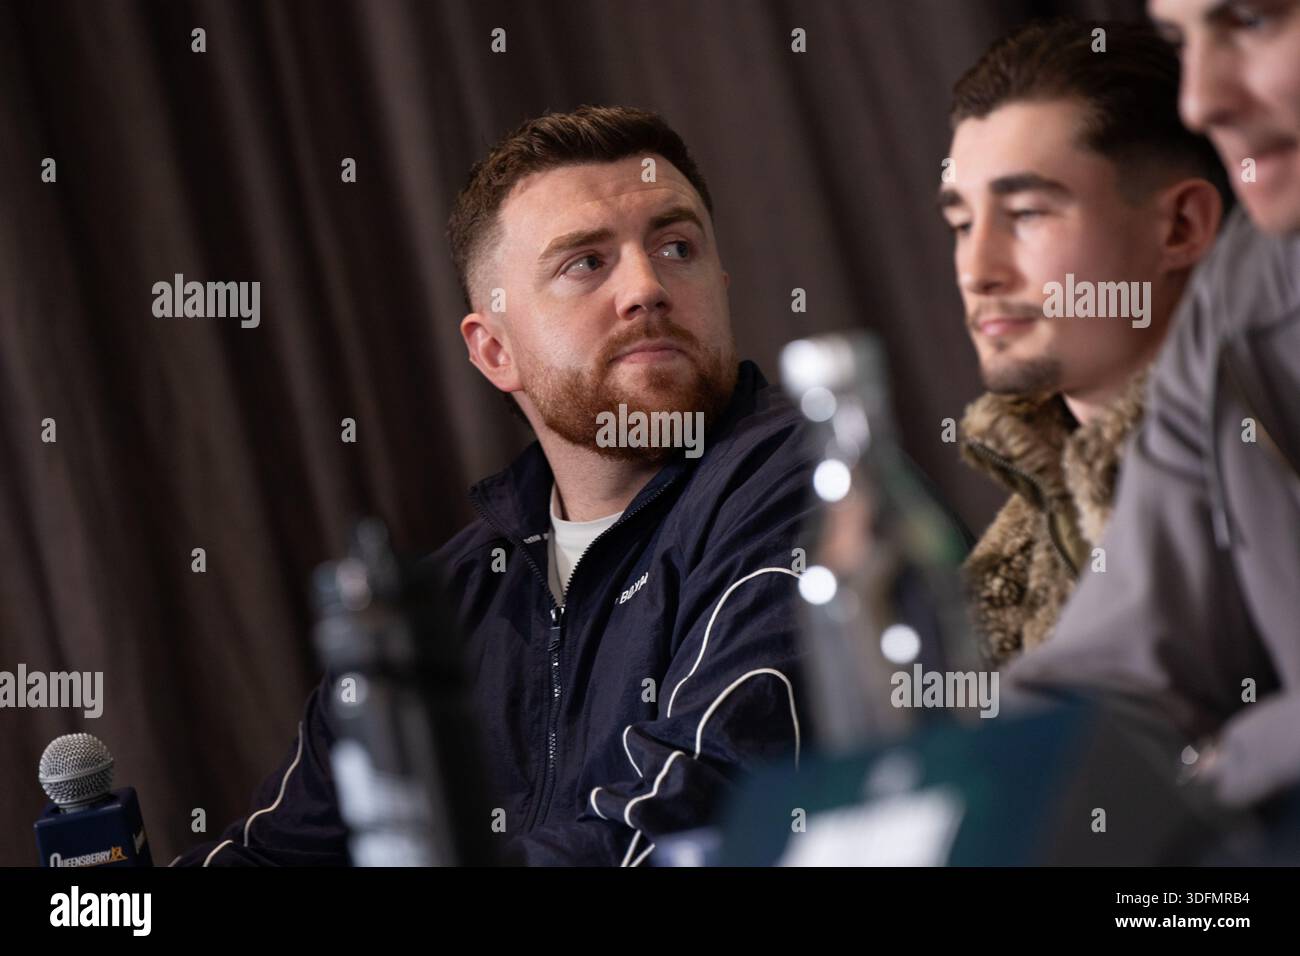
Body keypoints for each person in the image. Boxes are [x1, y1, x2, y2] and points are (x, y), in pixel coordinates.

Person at [176, 105, 815, 866]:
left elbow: (689, 821)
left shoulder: (811, 486)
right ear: (494, 351)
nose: (646, 287)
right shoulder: (444, 600)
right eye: (586, 262)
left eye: (677, 247)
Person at [1008, 0, 1300, 809]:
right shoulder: (1240, 296)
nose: (1200, 100)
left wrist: (1226, 767)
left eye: (1250, 20)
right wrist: (960, 799)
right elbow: (1115, 674)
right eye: (1180, 41)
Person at [940, 19, 1227, 665]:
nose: (976, 269)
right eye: (960, 223)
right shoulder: (1002, 580)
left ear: (1180, 227)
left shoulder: (1267, 454)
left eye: (1027, 214)